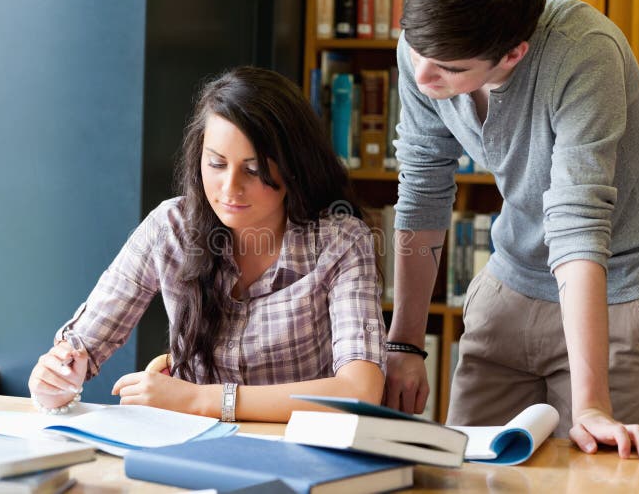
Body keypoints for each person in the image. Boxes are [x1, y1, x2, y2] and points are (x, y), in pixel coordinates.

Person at [384, 0, 639, 461]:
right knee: (467, 469)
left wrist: (591, 407)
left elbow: (577, 221)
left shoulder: (582, 52)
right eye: (416, 48)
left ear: (513, 54)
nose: (421, 73)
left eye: (451, 68)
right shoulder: (427, 50)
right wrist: (405, 345)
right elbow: (422, 189)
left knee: (583, 473)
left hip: (619, 288)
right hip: (513, 276)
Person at [28, 66, 385, 422]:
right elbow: (81, 346)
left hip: (300, 453)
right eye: (216, 163)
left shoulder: (342, 242)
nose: (230, 188)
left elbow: (359, 391)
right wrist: (54, 378)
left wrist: (200, 399)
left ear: (294, 166)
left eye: (253, 169)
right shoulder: (170, 227)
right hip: (192, 452)